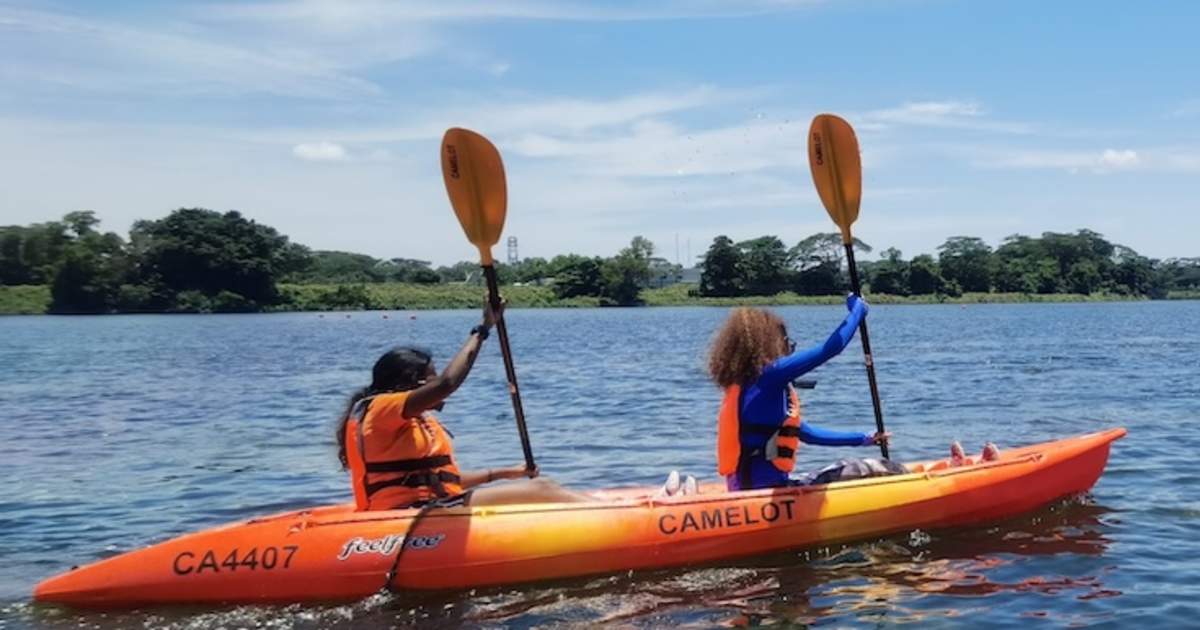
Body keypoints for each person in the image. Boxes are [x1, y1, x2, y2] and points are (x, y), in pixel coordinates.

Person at [336, 301, 594, 511]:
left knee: (542, 491)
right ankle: (622, 524)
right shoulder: (382, 408)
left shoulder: (406, 419)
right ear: (413, 383)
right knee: (544, 489)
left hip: (431, 505)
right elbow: (448, 383)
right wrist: (482, 330)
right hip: (409, 513)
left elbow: (446, 479)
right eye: (431, 379)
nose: (437, 387)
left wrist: (507, 473)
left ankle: (605, 512)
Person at [708, 296, 893, 491]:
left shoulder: (746, 385)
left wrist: (864, 438)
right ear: (770, 344)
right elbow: (830, 349)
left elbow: (807, 434)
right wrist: (858, 311)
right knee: (873, 468)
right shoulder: (772, 375)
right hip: (767, 490)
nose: (790, 348)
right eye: (787, 342)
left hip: (744, 487)